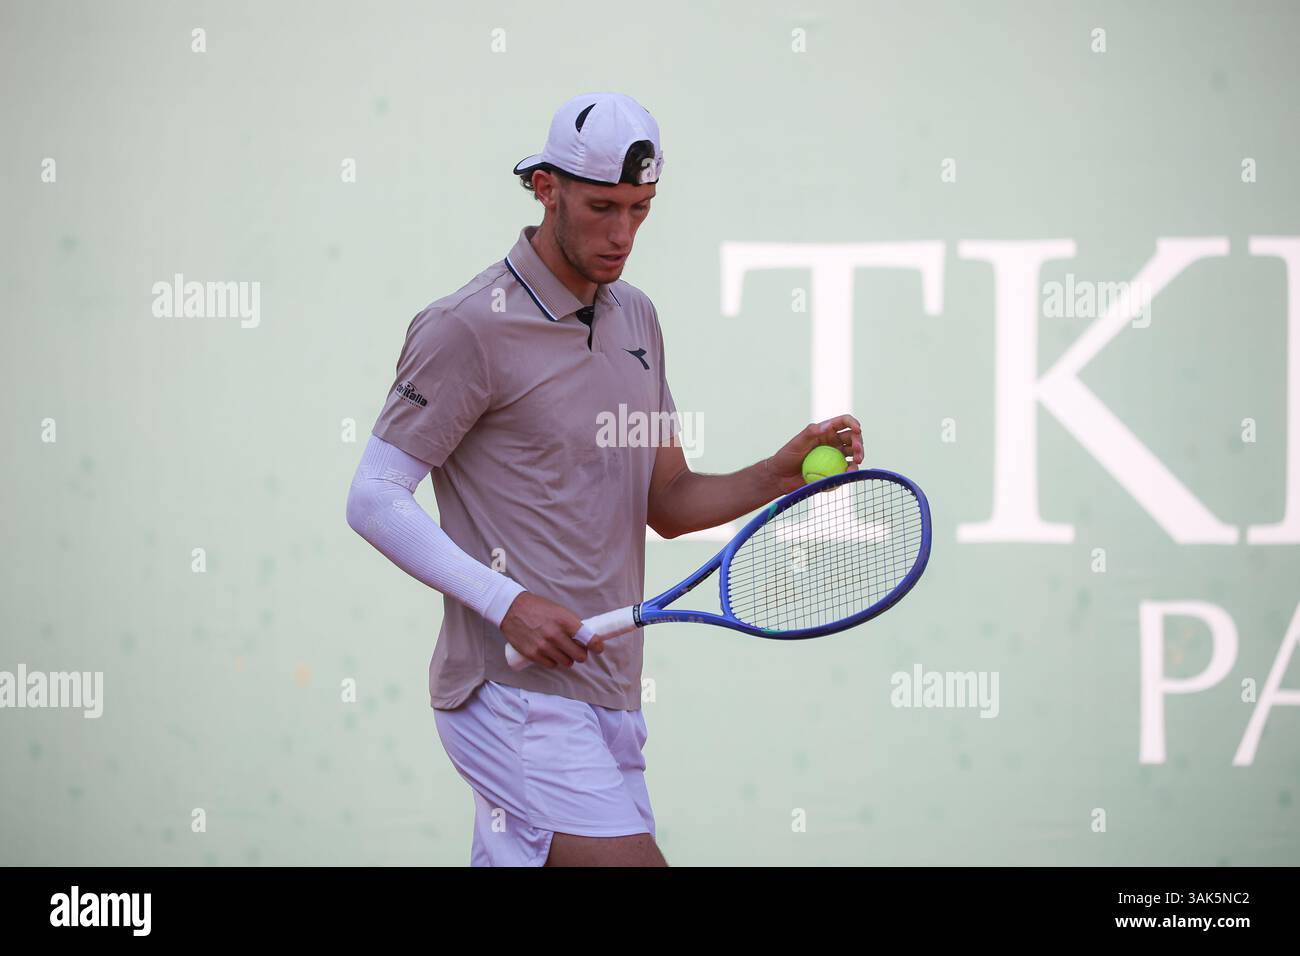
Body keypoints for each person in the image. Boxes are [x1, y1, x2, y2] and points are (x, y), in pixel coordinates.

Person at [346, 91, 863, 866]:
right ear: (545, 188)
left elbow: (670, 502)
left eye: (641, 209)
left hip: (611, 697)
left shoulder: (637, 319)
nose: (622, 234)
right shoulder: (466, 326)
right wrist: (508, 603)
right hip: (510, 693)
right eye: (600, 208)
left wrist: (775, 473)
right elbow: (374, 497)